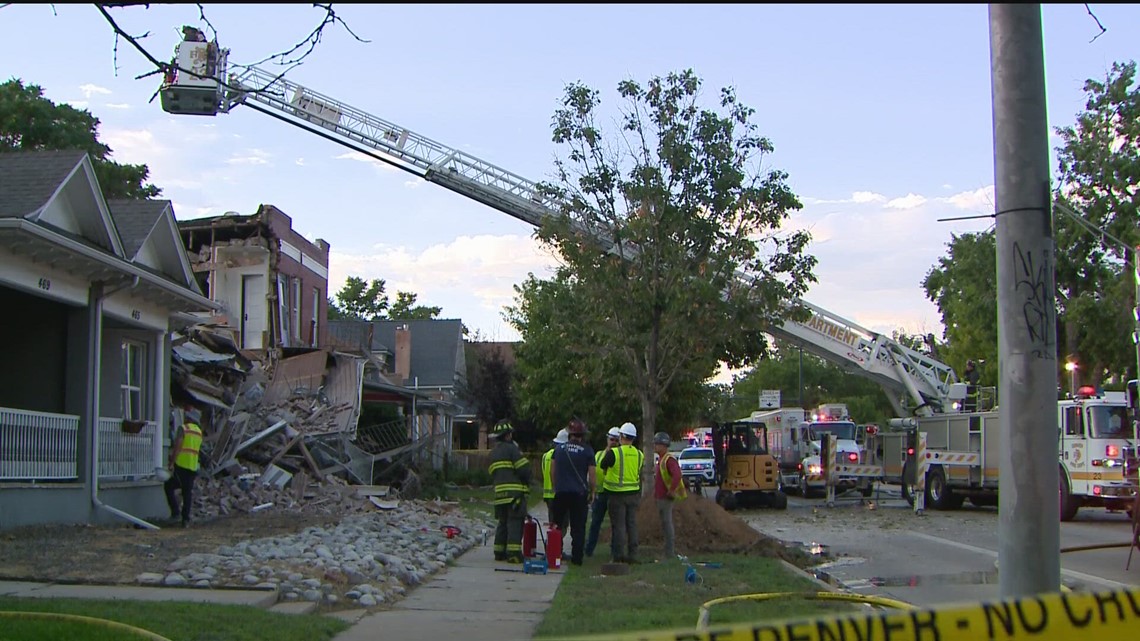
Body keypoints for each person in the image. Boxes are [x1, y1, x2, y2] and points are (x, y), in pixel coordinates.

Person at [550, 418, 595, 566]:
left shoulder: (558, 450)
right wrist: (592, 490)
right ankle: (577, 559)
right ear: (582, 435)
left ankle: (554, 554)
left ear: (569, 434)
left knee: (556, 525)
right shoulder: (587, 451)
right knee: (578, 527)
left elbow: (552, 471)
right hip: (579, 494)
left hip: (561, 492)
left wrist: (555, 487)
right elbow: (592, 475)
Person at [599, 421, 644, 564]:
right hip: (633, 494)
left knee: (619, 526)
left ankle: (618, 555)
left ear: (621, 436)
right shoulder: (639, 454)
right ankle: (633, 554)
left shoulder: (615, 453)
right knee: (632, 524)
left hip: (616, 494)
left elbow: (602, 464)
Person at [488, 420, 531, 563]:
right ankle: (513, 554)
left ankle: (499, 552)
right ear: (507, 436)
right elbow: (524, 470)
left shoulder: (493, 453)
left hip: (499, 495)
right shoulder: (512, 449)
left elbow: (492, 473)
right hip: (514, 495)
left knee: (502, 523)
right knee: (515, 522)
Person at [164, 400, 203, 528]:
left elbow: (178, 447)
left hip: (181, 465)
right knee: (187, 493)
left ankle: (176, 513)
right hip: (192, 466)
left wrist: (171, 462)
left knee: (169, 486)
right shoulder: (198, 431)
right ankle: (185, 520)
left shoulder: (183, 429)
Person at [585, 427, 620, 558]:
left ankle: (614, 551)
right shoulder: (598, 454)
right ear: (607, 439)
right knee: (595, 523)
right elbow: (592, 472)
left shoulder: (618, 456)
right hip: (600, 493)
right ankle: (589, 549)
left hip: (613, 493)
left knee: (615, 524)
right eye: (612, 439)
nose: (614, 442)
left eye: (616, 440)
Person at [652, 431, 687, 560]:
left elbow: (677, 475)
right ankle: (667, 551)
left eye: (657, 444)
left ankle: (669, 552)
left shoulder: (669, 459)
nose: (655, 446)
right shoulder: (662, 459)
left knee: (667, 524)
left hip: (666, 497)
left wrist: (672, 490)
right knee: (664, 524)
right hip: (660, 497)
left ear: (663, 445)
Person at [542, 428, 569, 526]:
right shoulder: (565, 455)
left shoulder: (546, 455)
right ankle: (558, 540)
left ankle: (552, 540)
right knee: (563, 523)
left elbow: (544, 472)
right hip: (560, 494)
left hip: (548, 495)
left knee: (552, 523)